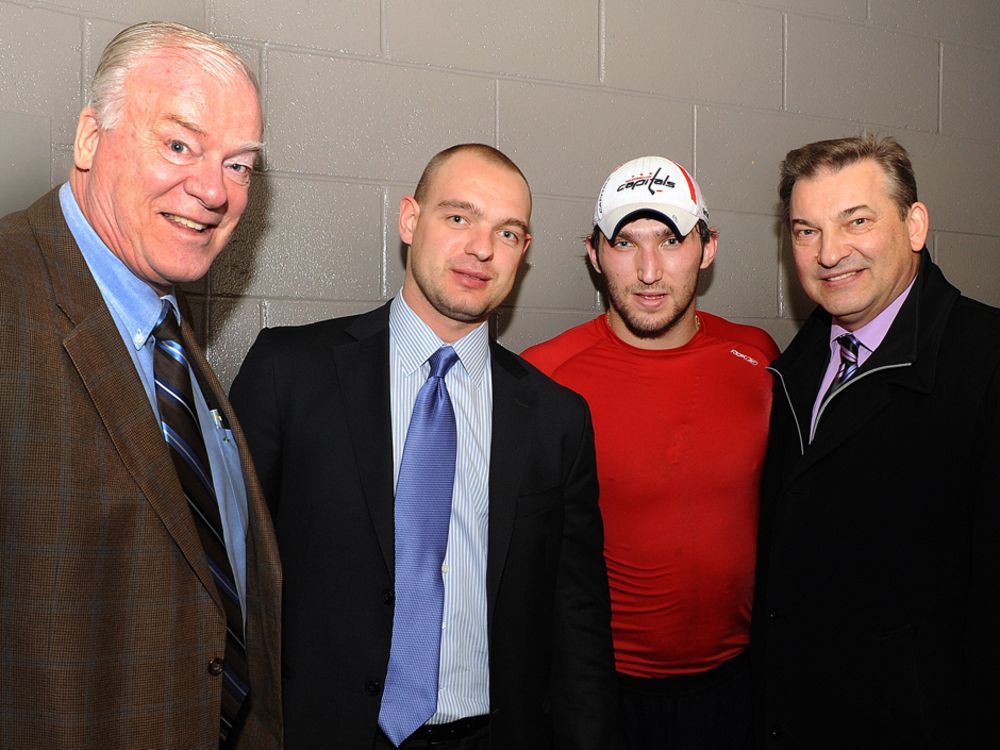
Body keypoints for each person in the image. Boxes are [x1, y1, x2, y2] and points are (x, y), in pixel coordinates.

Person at [229, 143, 620, 750]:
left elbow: (579, 620)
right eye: (459, 217)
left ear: (523, 251)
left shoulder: (556, 418)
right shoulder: (289, 374)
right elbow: (233, 576)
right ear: (410, 220)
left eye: (507, 232)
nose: (482, 249)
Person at [0, 22, 281, 749]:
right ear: (90, 138)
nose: (214, 191)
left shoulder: (166, 332)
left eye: (239, 165)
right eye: (180, 145)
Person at [753, 134, 1000, 748]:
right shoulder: (796, 365)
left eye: (856, 221)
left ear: (914, 225)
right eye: (806, 231)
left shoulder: (984, 361)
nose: (830, 252)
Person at [523, 155, 778, 749]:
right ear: (594, 254)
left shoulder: (758, 357)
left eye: (670, 240)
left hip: (739, 685)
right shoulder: (545, 376)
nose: (648, 270)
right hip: (601, 694)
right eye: (624, 243)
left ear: (708, 248)